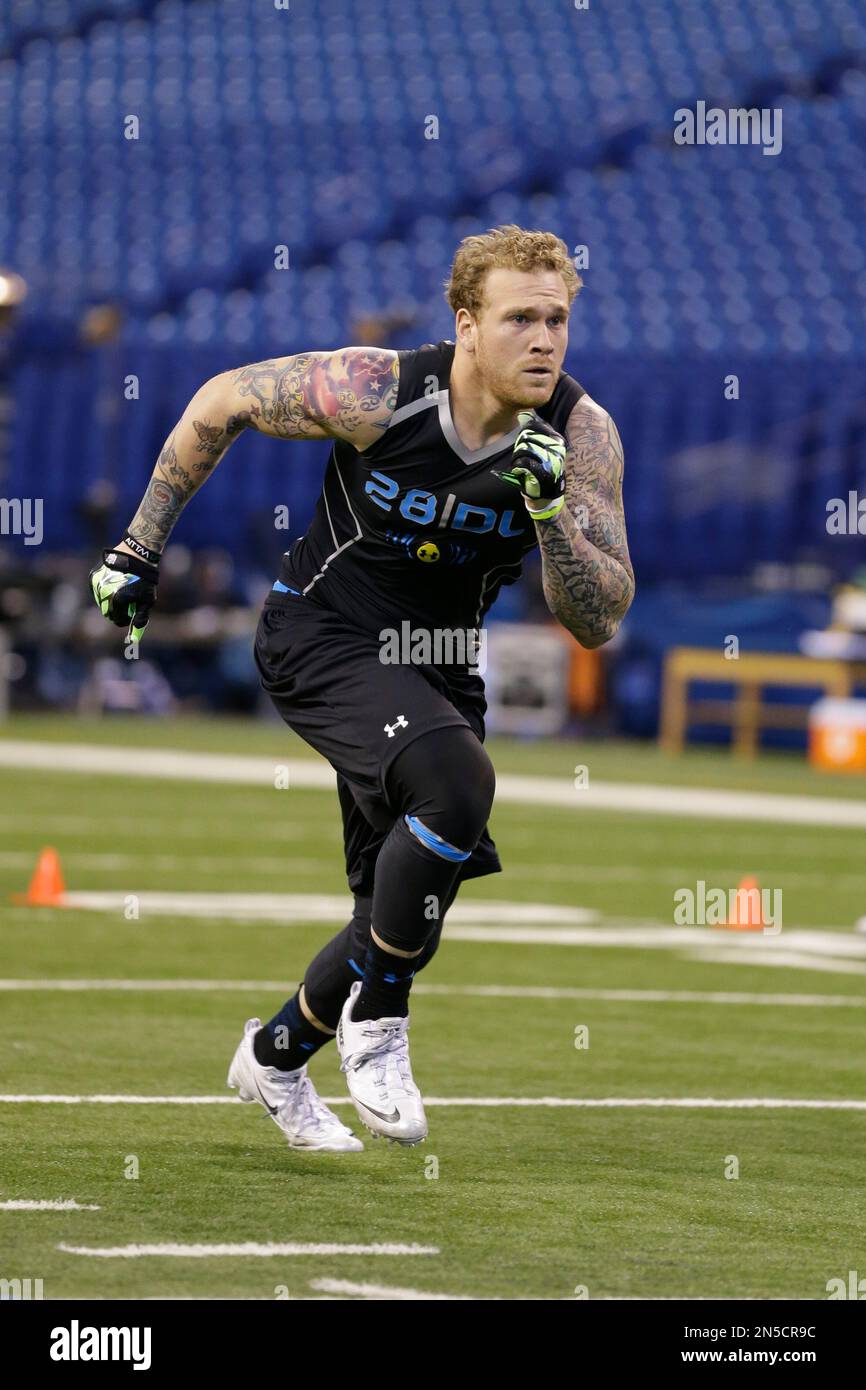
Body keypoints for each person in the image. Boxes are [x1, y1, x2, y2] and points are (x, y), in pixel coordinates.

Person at [90, 225, 634, 1152]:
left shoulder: (580, 436)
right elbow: (222, 401)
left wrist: (548, 514)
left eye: (557, 320)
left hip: (440, 658)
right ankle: (378, 1027)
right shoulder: (379, 390)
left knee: (399, 900)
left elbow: (599, 614)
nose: (543, 340)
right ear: (466, 325)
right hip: (323, 630)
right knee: (457, 787)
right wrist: (140, 547)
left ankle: (273, 1055)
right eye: (518, 320)